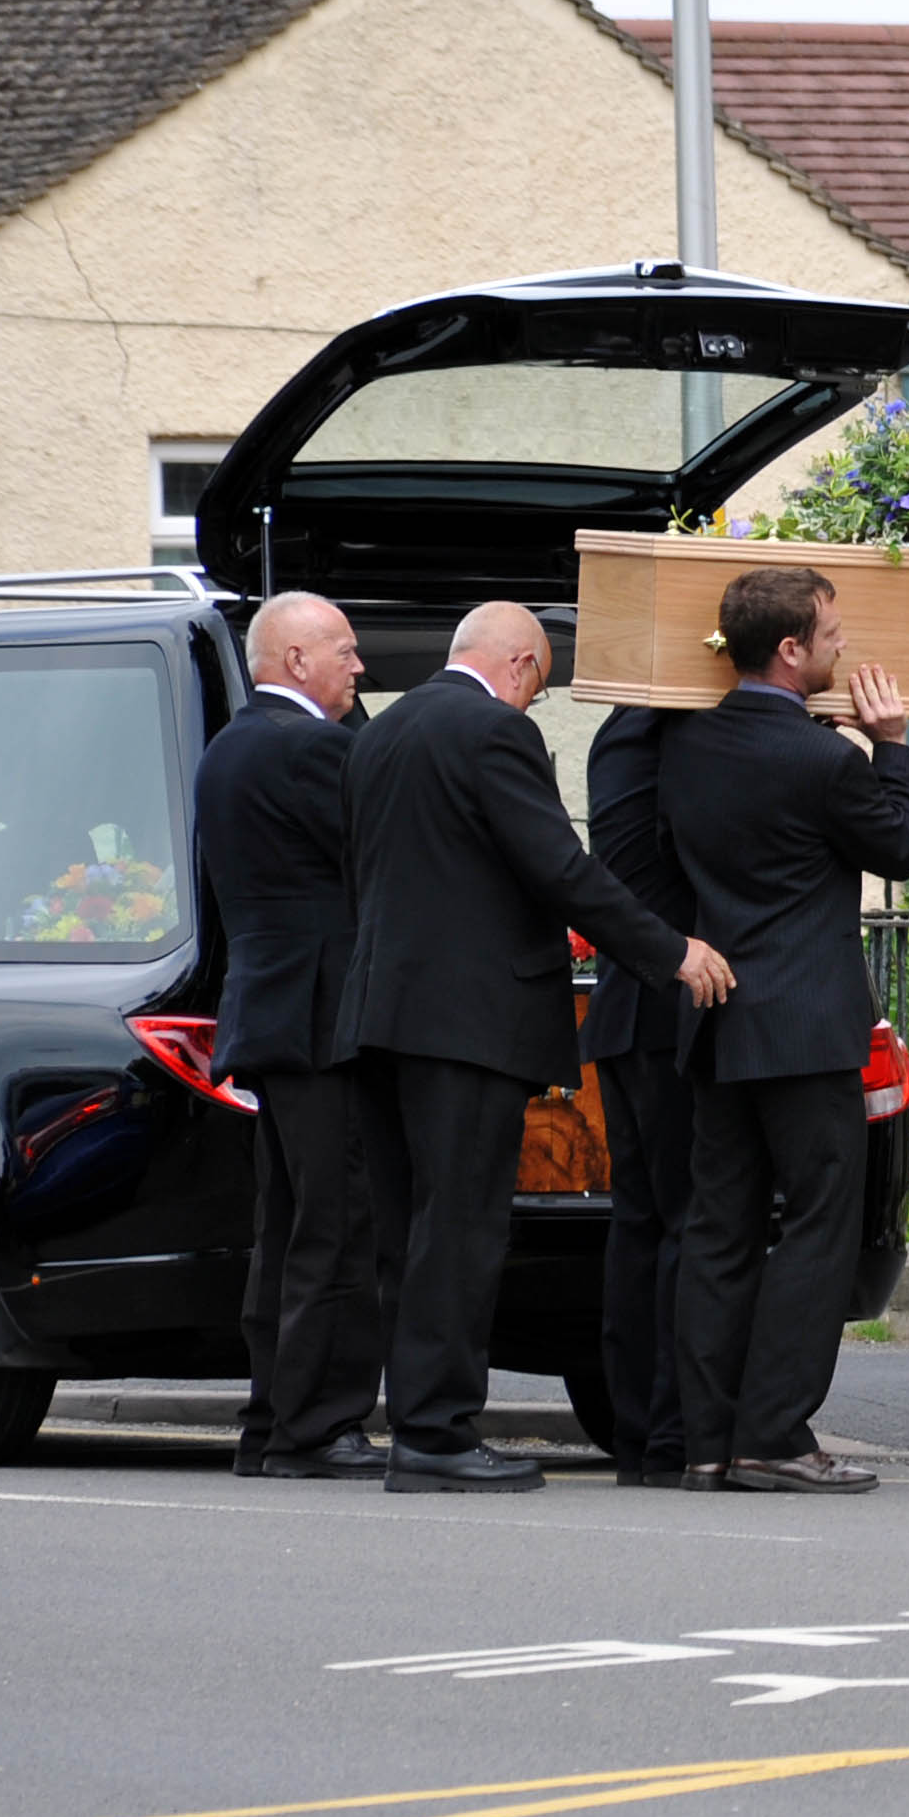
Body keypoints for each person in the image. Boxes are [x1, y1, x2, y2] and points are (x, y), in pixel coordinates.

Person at [345, 602, 730, 1494]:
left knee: (410, 1234)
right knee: (463, 1229)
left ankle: (418, 1426)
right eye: (540, 686)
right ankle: (440, 1435)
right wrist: (670, 951)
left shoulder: (381, 732)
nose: (532, 703)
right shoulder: (493, 734)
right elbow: (560, 867)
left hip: (383, 1015)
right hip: (468, 1025)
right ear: (519, 664)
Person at [661, 566, 909, 1494]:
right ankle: (774, 1433)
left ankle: (706, 1440)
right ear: (790, 648)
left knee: (720, 1233)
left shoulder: (689, 747)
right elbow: (903, 851)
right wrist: (894, 747)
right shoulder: (824, 760)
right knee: (822, 1226)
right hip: (807, 1025)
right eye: (831, 630)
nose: (841, 643)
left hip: (717, 1018)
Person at [191, 589, 388, 1480]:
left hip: (273, 1012)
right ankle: (318, 1426)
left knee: (288, 1227)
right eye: (344, 652)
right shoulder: (316, 747)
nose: (359, 667)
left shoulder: (232, 746)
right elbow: (382, 852)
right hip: (322, 1020)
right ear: (296, 661)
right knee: (336, 1225)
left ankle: (272, 1421)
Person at [581, 703, 700, 1486]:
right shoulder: (671, 732)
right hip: (669, 1011)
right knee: (685, 1225)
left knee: (640, 1225)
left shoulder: (618, 734)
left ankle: (639, 1434)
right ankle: (671, 1433)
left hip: (628, 1009)